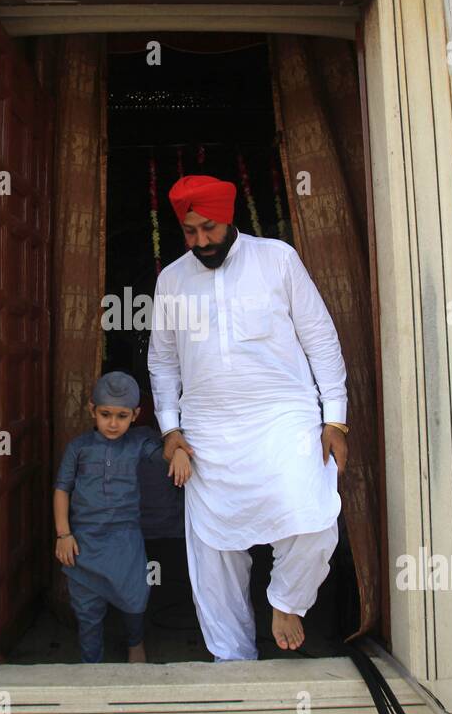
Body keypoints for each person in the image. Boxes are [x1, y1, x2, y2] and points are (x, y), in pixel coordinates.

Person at [147, 174, 350, 661]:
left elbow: (319, 337)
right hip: (208, 430)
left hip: (284, 418)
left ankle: (286, 601)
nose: (201, 242)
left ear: (229, 216)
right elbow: (163, 361)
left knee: (315, 519)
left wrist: (335, 419)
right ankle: (232, 660)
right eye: (190, 233)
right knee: (213, 554)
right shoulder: (172, 279)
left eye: (209, 229)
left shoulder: (277, 258)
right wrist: (170, 431)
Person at [53, 370, 193, 663]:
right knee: (86, 609)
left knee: (134, 598)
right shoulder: (79, 448)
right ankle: (91, 662)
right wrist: (64, 535)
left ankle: (135, 642)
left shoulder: (139, 443)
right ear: (92, 409)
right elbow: (62, 489)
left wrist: (178, 452)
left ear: (135, 414)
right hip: (83, 542)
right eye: (105, 414)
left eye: (122, 415)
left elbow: (163, 452)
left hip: (125, 541)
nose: (113, 423)